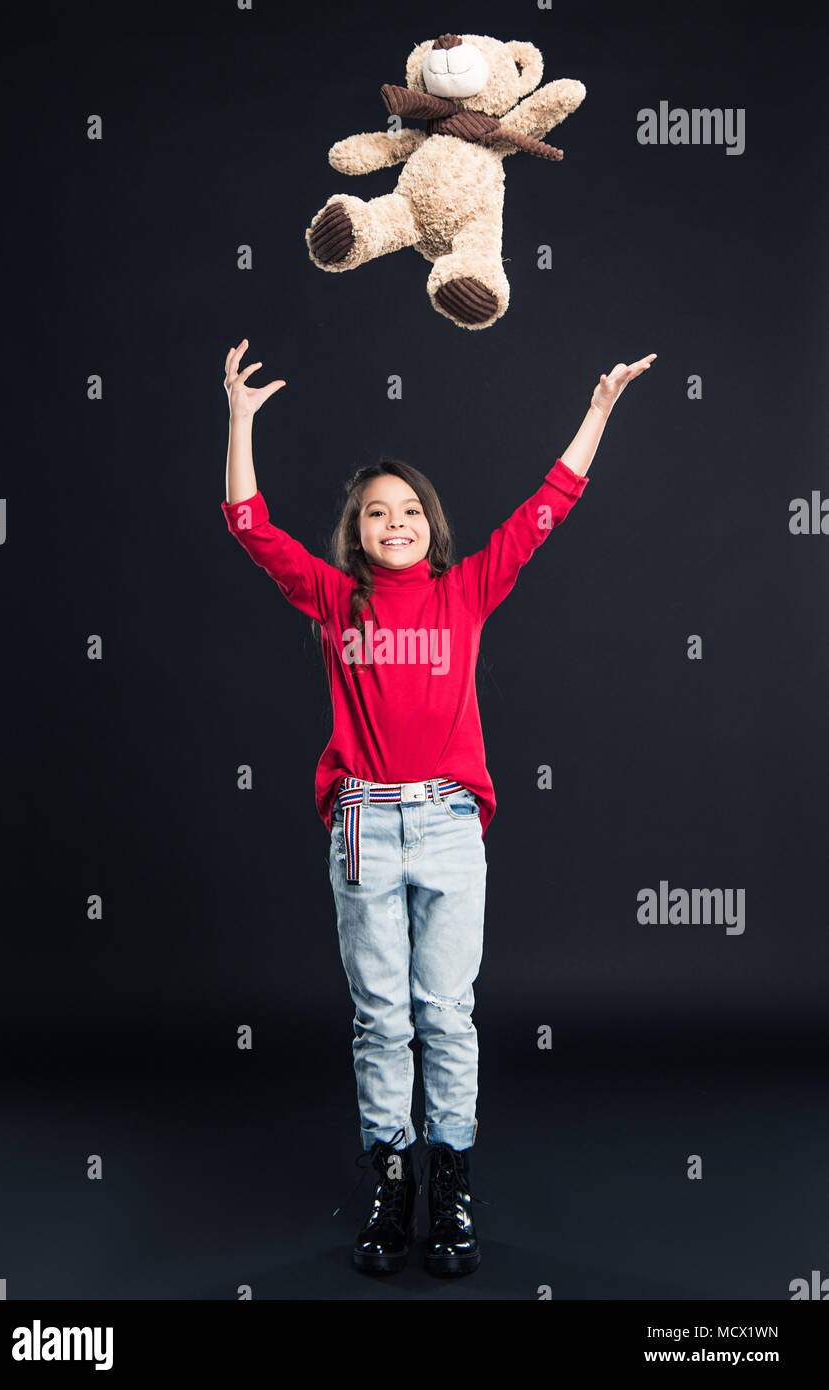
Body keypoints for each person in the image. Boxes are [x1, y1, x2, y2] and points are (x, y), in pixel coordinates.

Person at [220, 339, 656, 1276]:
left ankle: (450, 1180)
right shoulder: (337, 603)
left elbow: (546, 509)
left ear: (431, 525)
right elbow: (250, 526)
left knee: (444, 1013)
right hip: (365, 828)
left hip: (451, 828)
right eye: (376, 512)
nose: (395, 522)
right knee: (381, 1015)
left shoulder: (465, 594)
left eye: (409, 510)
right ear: (356, 532)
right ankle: (391, 1182)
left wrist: (598, 411)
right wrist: (241, 420)